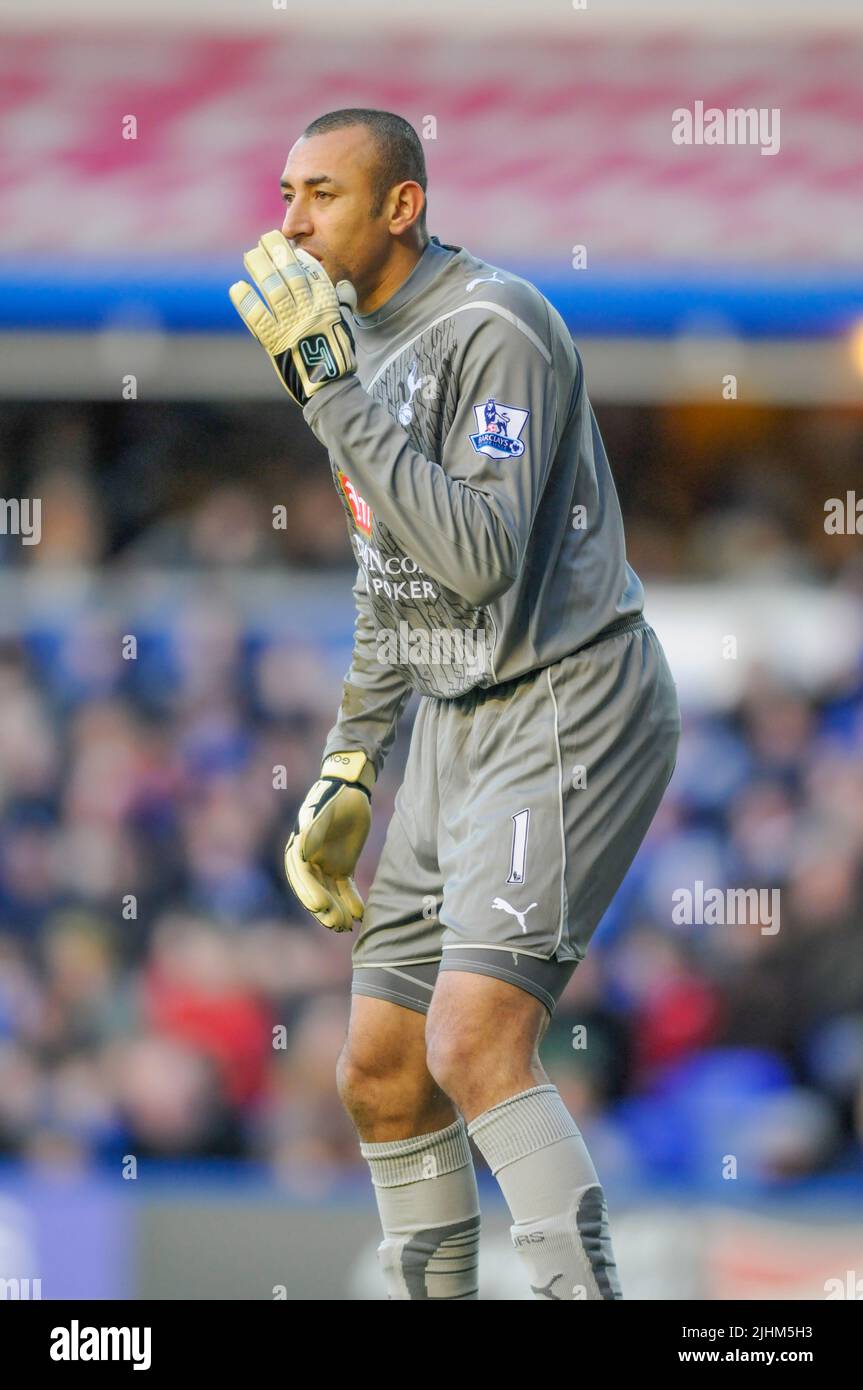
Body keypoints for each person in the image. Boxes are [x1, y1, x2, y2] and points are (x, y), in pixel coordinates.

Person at [230, 108, 681, 1301]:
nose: (287, 225)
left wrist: (327, 394)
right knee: (378, 1069)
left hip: (565, 698)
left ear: (401, 207)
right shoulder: (354, 344)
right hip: (450, 715)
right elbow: (397, 576)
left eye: (319, 194)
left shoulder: (499, 326)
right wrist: (350, 761)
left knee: (472, 1042)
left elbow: (476, 553)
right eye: (285, 194)